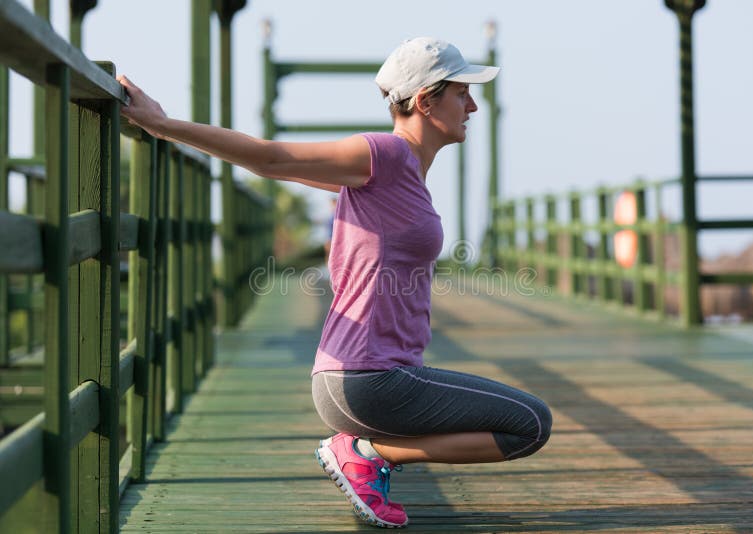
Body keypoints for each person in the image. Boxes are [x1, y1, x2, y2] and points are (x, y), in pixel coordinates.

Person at [118, 36, 552, 529]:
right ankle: (367, 453)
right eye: (462, 93)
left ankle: (367, 451)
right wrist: (163, 126)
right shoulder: (382, 155)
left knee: (526, 423)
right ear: (425, 100)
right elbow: (272, 158)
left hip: (367, 377)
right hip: (367, 379)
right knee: (530, 423)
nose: (473, 105)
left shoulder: (401, 172)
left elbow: (287, 169)